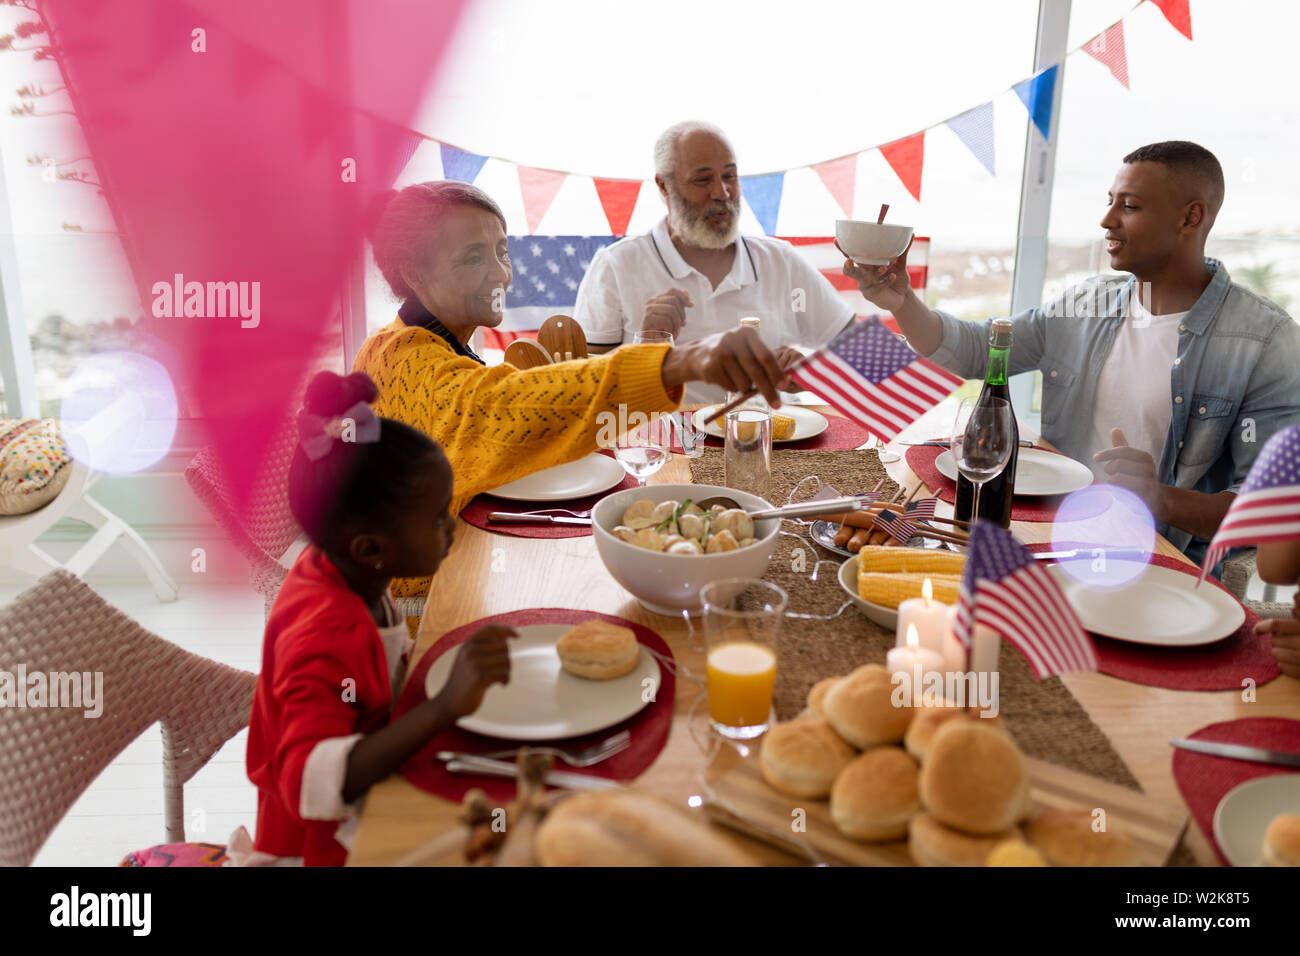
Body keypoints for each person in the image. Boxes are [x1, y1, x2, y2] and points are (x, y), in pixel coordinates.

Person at [848, 141, 1300, 563]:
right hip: (1046, 538)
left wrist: (1159, 497)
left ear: (1191, 218)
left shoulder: (1267, 341)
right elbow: (977, 353)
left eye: (1130, 206)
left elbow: (1273, 510)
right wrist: (901, 301)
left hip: (1156, 561)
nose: (1107, 221)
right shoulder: (1086, 302)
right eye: (1110, 201)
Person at [355, 179, 791, 519]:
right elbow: (507, 404)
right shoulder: (408, 360)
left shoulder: (405, 342)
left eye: (501, 252)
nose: (499, 275)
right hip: (422, 606)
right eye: (472, 258)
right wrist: (683, 361)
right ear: (414, 273)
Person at [230, 371, 516, 866]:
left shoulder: (344, 572)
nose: (451, 525)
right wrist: (444, 705)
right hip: (326, 847)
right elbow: (307, 781)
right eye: (437, 517)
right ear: (370, 548)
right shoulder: (327, 632)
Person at [572, 120, 856, 402]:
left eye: (730, 176)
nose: (722, 193)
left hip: (771, 443)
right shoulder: (616, 265)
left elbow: (870, 358)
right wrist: (645, 342)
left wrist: (810, 367)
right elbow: (580, 388)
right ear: (663, 186)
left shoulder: (781, 261)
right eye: (703, 180)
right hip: (664, 446)